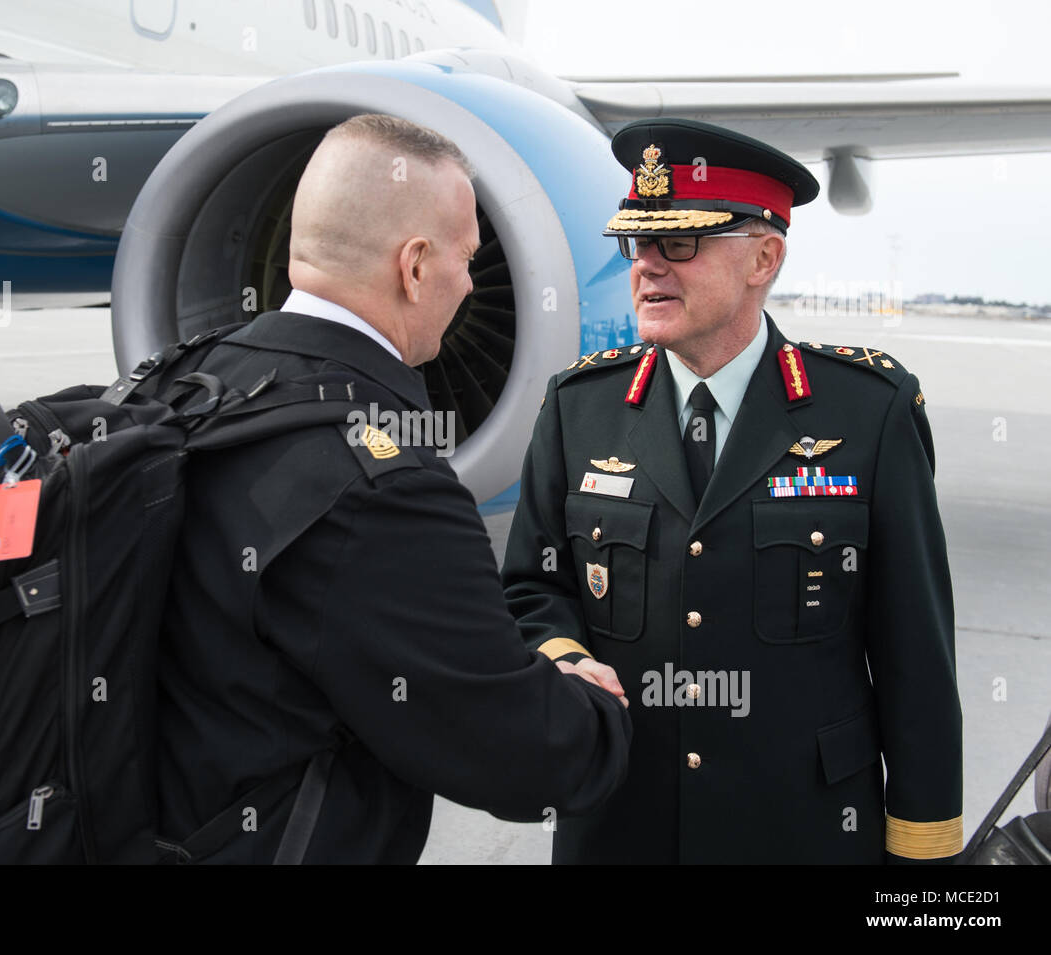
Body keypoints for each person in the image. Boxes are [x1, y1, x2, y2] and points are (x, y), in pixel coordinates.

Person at [155, 114, 632, 863]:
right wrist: (586, 698)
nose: (472, 283)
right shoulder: (386, 484)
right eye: (468, 258)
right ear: (413, 267)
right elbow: (520, 751)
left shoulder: (178, 387)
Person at [501, 118, 963, 864]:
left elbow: (916, 655)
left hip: (803, 830)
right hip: (622, 825)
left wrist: (923, 859)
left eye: (677, 243)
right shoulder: (578, 408)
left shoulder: (866, 412)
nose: (647, 265)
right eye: (636, 243)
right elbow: (531, 587)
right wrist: (564, 656)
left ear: (764, 257)